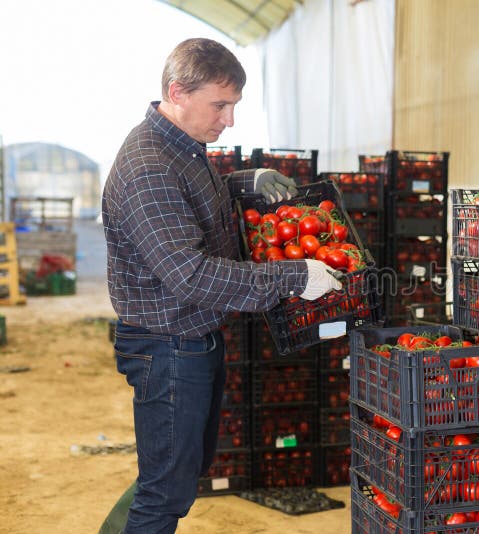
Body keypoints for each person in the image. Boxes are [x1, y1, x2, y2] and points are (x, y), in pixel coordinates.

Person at [99, 37, 341, 533]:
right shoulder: (148, 167)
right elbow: (191, 274)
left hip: (192, 338)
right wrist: (294, 275)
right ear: (178, 93)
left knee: (180, 472)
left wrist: (243, 182)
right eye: (220, 105)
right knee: (165, 490)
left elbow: (191, 201)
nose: (229, 119)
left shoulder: (182, 148)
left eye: (234, 105)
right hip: (168, 345)